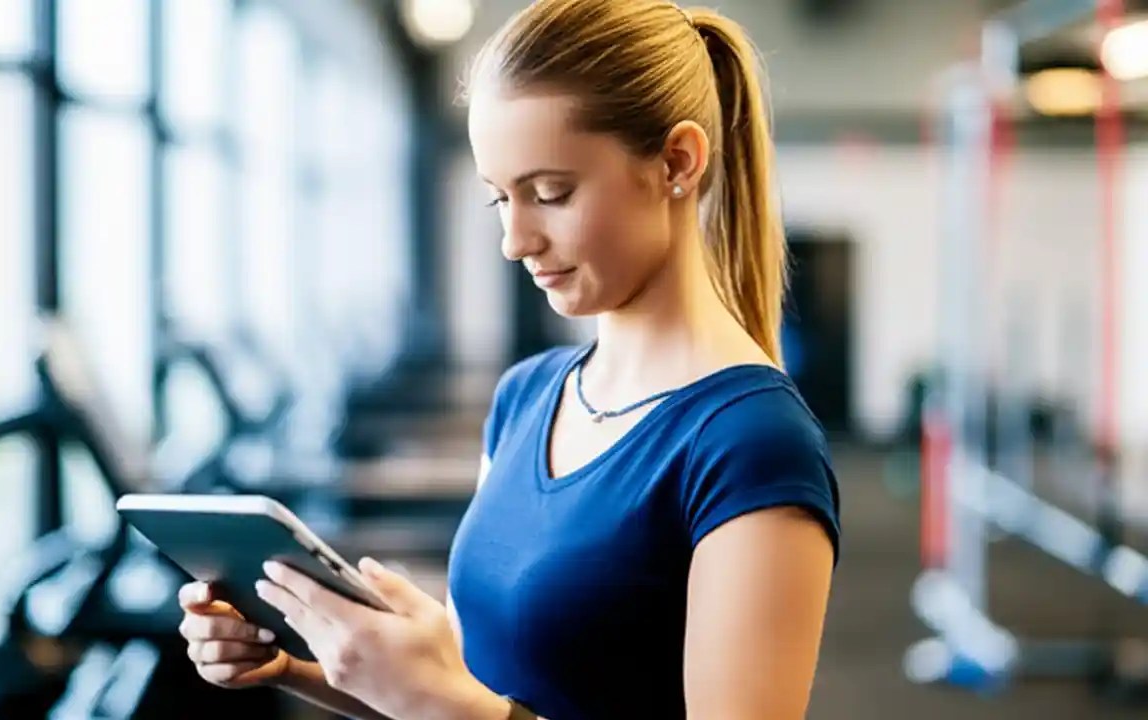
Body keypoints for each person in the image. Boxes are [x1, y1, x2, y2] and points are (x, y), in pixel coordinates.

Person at [175, 1, 842, 718]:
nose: (515, 241)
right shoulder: (527, 395)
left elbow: (463, 709)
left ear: (677, 162)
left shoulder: (752, 443)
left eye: (550, 194)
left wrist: (444, 698)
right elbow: (474, 691)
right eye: (499, 200)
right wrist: (293, 667)